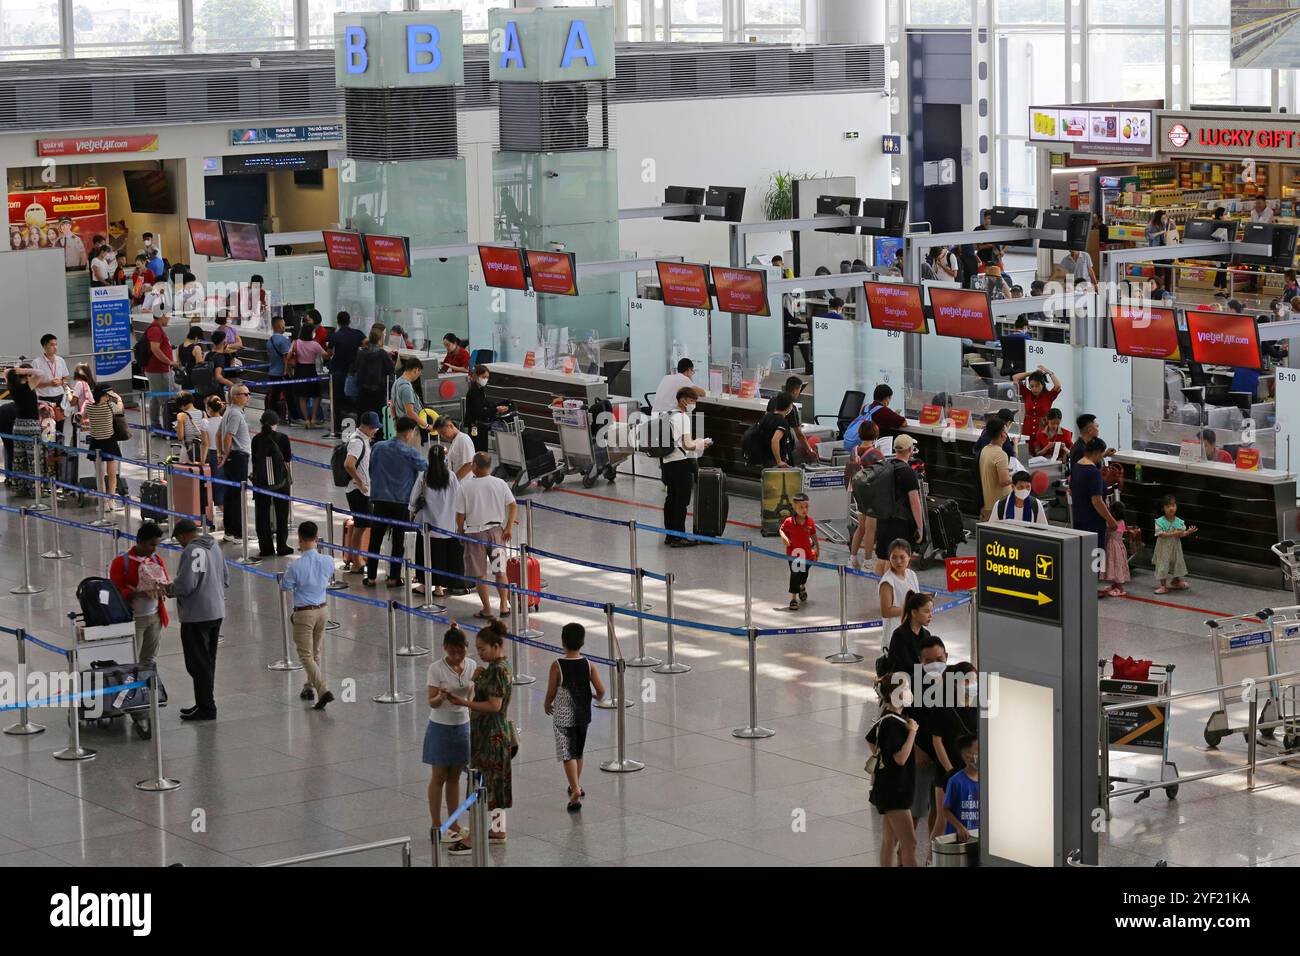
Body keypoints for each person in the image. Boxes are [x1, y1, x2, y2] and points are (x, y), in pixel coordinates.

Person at [443, 620, 513, 855]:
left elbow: (493, 705)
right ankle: (497, 829)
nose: (479, 654)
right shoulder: (501, 666)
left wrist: (464, 702)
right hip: (495, 733)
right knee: (497, 784)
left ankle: (473, 837)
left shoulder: (497, 670)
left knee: (479, 785)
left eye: (482, 649)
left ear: (495, 645)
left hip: (489, 735)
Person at [167, 518, 227, 721]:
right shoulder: (215, 547)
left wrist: (170, 589)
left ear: (183, 535)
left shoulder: (191, 551)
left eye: (179, 540)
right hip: (216, 611)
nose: (180, 544)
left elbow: (186, 585)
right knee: (208, 661)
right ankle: (204, 703)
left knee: (197, 662)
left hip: (196, 615)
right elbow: (225, 576)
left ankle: (207, 707)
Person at [543, 622, 605, 813]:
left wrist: (547, 703)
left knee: (567, 753)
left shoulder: (557, 665)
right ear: (583, 642)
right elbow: (601, 690)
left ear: (563, 642)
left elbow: (551, 690)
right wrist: (596, 697)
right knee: (578, 751)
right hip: (583, 715)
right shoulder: (589, 665)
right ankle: (575, 785)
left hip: (563, 717)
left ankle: (575, 789)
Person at [425, 625, 477, 845]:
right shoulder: (436, 669)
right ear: (445, 648)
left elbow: (471, 695)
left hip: (462, 726)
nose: (457, 657)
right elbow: (431, 701)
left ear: (466, 648)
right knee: (439, 777)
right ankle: (437, 824)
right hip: (440, 727)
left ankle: (454, 823)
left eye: (461, 652)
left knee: (455, 777)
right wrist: (441, 696)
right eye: (452, 652)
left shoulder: (472, 666)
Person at [365, 416, 428, 587]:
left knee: (375, 540)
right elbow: (427, 467)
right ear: (410, 433)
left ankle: (370, 576)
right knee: (398, 542)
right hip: (401, 502)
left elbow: (371, 470)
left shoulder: (378, 447)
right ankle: (393, 577)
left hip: (379, 500)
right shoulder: (410, 453)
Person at [280, 521, 336, 709]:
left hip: (304, 614)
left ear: (300, 539)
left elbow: (285, 586)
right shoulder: (328, 561)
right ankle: (308, 686)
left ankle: (323, 689)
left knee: (305, 655)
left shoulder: (295, 566)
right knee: (315, 651)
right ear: (317, 538)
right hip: (323, 611)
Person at [866, 671, 920, 867]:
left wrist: (882, 756)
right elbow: (900, 758)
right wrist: (912, 733)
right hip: (895, 793)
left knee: (890, 842)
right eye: (905, 688)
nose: (908, 692)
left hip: (889, 788)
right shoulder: (893, 723)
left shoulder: (887, 719)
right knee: (910, 844)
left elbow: (870, 739)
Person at [456, 451, 518, 618]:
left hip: (475, 534)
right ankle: (504, 605)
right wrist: (508, 527)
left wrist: (461, 531)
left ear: (475, 466)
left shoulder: (465, 486)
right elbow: (513, 505)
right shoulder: (500, 483)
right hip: (497, 532)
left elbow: (460, 515)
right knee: (500, 571)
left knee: (480, 573)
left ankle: (487, 609)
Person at [108, 520, 170, 667]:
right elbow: (115, 591)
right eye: (151, 544)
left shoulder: (156, 560)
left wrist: (164, 589)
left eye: (156, 545)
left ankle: (147, 688)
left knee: (149, 659)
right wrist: (135, 594)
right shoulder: (121, 563)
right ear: (140, 542)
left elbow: (166, 581)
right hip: (134, 620)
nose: (154, 549)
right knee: (130, 660)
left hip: (155, 617)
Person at [659, 386, 712, 546]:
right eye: (691, 401)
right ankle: (678, 537)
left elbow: (677, 442)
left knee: (671, 498)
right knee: (681, 501)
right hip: (680, 464)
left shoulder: (666, 415)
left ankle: (669, 535)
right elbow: (687, 445)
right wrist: (702, 443)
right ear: (683, 400)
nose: (693, 404)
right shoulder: (683, 418)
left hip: (666, 462)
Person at [410, 443, 464, 599]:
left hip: (427, 525)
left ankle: (425, 584)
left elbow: (414, 499)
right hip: (447, 525)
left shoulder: (424, 476)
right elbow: (459, 497)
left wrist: (411, 513)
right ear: (444, 458)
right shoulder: (452, 476)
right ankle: (439, 587)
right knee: (441, 556)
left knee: (425, 554)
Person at [1070, 437, 1118, 596]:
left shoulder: (1076, 466)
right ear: (1097, 453)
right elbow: (1097, 500)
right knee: (1095, 554)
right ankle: (1091, 588)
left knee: (1082, 553)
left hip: (1078, 517)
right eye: (1101, 455)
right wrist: (1110, 519)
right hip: (1093, 519)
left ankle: (1081, 586)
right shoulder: (1094, 473)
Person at [875, 435, 925, 566]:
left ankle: (880, 586)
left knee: (883, 558)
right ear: (910, 449)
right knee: (896, 562)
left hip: (883, 519)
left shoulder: (885, 466)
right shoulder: (908, 473)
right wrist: (920, 527)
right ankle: (891, 586)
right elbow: (915, 503)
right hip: (900, 523)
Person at [341, 411, 380, 574]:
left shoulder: (362, 439)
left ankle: (358, 559)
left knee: (363, 525)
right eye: (375, 428)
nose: (376, 431)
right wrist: (359, 481)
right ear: (369, 427)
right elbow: (349, 464)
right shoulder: (357, 442)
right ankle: (357, 561)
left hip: (361, 490)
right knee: (360, 526)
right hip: (358, 491)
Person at [251, 411, 293, 559]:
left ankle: (266, 547)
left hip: (261, 483)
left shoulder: (256, 439)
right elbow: (287, 459)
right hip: (281, 483)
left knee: (262, 515)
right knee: (282, 515)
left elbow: (255, 462)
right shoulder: (283, 438)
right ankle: (282, 546)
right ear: (277, 423)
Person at [217, 385, 253, 543]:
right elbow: (226, 436)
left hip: (233, 457)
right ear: (236, 396)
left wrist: (221, 454)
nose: (248, 396)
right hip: (238, 457)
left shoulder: (229, 412)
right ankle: (238, 533)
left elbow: (219, 434)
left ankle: (229, 531)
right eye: (245, 394)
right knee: (238, 495)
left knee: (231, 495)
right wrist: (224, 455)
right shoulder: (235, 414)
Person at [847, 420, 884, 570]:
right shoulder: (877, 453)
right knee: (870, 529)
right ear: (875, 434)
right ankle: (868, 561)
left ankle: (852, 558)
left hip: (858, 493)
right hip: (872, 495)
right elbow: (883, 473)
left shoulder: (854, 450)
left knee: (860, 527)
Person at [84, 383, 125, 505]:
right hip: (110, 442)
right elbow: (121, 410)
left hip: (96, 442)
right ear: (105, 395)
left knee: (100, 475)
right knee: (112, 474)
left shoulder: (89, 407)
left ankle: (102, 500)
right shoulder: (111, 406)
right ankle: (111, 499)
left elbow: (84, 416)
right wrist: (119, 398)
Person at [327, 311, 365, 434]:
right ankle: (359, 425)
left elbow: (329, 354)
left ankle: (338, 426)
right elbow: (367, 343)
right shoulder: (357, 334)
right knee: (356, 399)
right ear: (350, 321)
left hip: (338, 371)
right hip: (354, 372)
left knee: (337, 400)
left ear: (338, 321)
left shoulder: (334, 336)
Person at [937, 735, 980, 844]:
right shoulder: (955, 781)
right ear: (967, 756)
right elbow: (945, 809)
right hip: (958, 839)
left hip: (978, 838)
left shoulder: (987, 781)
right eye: (978, 751)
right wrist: (959, 827)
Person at [779, 493, 818, 610]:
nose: (804, 510)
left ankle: (802, 586)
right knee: (795, 574)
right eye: (801, 507)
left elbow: (814, 535)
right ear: (795, 508)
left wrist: (818, 549)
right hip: (794, 554)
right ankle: (793, 598)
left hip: (807, 555)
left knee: (804, 574)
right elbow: (781, 529)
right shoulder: (789, 522)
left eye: (806, 507)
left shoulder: (810, 522)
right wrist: (784, 537)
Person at [843, 384, 907, 454]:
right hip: (872, 447)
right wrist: (894, 415)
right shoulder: (884, 410)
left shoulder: (865, 407)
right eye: (890, 398)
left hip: (858, 444)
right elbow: (903, 423)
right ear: (886, 398)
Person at [766, 376, 815, 463]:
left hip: (766, 444)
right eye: (800, 389)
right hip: (781, 448)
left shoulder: (773, 400)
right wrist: (810, 450)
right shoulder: (791, 409)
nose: (799, 392)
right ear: (795, 391)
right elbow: (799, 434)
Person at [352, 325, 396, 423]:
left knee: (363, 415)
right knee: (378, 416)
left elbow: (356, 367)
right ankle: (377, 436)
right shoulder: (382, 354)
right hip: (378, 391)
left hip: (363, 390)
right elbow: (390, 370)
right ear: (381, 339)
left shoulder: (361, 353)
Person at [142, 308, 177, 431]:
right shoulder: (155, 330)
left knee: (156, 399)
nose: (169, 318)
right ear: (161, 316)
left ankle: (155, 425)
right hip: (158, 370)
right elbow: (155, 349)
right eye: (168, 316)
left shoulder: (156, 328)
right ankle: (169, 428)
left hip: (156, 369)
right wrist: (169, 361)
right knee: (165, 401)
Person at [1153, 493, 1195, 593]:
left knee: (1176, 563)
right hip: (1164, 548)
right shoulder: (1159, 521)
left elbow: (1180, 534)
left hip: (1175, 548)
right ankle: (1163, 585)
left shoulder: (1179, 521)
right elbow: (1160, 534)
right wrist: (1174, 533)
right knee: (1163, 564)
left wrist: (1187, 532)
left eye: (1173, 505)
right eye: (1168, 506)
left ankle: (1176, 581)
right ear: (1163, 508)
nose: (1171, 508)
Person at [886, 590, 935, 677]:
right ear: (914, 613)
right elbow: (905, 666)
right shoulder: (899, 635)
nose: (930, 615)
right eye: (926, 611)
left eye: (931, 611)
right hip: (902, 683)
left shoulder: (926, 634)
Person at [288, 322, 327, 428]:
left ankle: (306, 420)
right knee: (317, 394)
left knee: (302, 396)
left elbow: (289, 355)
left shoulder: (296, 343)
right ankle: (314, 418)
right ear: (311, 332)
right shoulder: (315, 344)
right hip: (311, 370)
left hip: (300, 370)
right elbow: (326, 356)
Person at [464, 365, 509, 453]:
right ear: (476, 376)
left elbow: (487, 404)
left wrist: (498, 405)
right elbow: (480, 411)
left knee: (483, 450)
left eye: (487, 377)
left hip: (481, 426)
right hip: (475, 426)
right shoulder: (473, 391)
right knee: (478, 451)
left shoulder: (480, 389)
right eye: (483, 377)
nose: (485, 379)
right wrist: (496, 409)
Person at [33, 334, 69, 442]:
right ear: (44, 347)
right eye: (52, 345)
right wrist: (49, 384)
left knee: (60, 427)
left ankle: (59, 452)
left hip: (59, 399)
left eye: (56, 344)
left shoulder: (60, 360)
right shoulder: (36, 363)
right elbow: (34, 384)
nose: (55, 347)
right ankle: (49, 453)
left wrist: (62, 382)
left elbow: (66, 378)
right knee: (48, 430)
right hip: (45, 400)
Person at [1011, 364, 1060, 441]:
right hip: (1027, 431)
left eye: (1037, 386)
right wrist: (1033, 373)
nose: (1034, 389)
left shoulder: (1048, 396)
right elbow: (1015, 377)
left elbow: (1058, 385)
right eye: (1032, 386)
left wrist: (1049, 372)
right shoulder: (1027, 394)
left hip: (1042, 431)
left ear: (1042, 385)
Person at [977, 416, 1013, 522]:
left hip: (988, 503)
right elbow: (1004, 481)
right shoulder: (1000, 454)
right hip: (1000, 507)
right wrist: (1015, 476)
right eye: (1006, 432)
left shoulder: (985, 449)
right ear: (1002, 434)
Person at [878, 538, 920, 624]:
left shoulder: (911, 574)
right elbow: (885, 612)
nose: (898, 561)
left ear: (909, 557)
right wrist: (911, 609)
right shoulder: (887, 582)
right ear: (889, 558)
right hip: (896, 630)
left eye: (902, 557)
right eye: (894, 557)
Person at [391, 357, 429, 440]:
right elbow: (410, 413)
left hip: (401, 426)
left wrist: (394, 420)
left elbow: (392, 406)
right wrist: (426, 426)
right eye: (418, 374)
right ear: (415, 370)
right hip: (410, 429)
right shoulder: (406, 388)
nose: (417, 377)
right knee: (412, 451)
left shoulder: (396, 383)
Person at [1100, 500, 1132, 598]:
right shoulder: (1122, 521)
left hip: (1114, 547)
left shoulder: (1114, 523)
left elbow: (1111, 529)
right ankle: (1114, 585)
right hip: (1115, 546)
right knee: (1114, 565)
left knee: (1116, 565)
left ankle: (1120, 587)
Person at [201, 396, 227, 513]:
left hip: (212, 455)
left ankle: (224, 514)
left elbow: (205, 444)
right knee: (224, 484)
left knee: (214, 487)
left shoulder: (205, 422)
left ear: (209, 409)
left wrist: (202, 461)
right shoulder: (225, 421)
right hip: (225, 454)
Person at [264, 316, 292, 419]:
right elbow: (286, 358)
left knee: (274, 396)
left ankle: (273, 415)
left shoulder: (269, 340)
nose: (285, 326)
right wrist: (286, 371)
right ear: (280, 325)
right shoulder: (284, 340)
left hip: (272, 372)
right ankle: (288, 416)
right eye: (284, 324)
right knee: (287, 396)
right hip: (281, 373)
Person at [757, 393, 794, 467]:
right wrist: (779, 461)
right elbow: (775, 440)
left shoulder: (766, 417)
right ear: (788, 407)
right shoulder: (782, 422)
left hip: (764, 458)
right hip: (774, 461)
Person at [173, 391, 206, 464]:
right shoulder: (203, 413)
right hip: (203, 450)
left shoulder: (181, 415)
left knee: (187, 473)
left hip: (189, 450)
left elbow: (180, 437)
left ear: (181, 405)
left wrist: (177, 429)